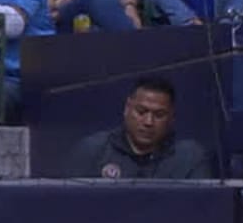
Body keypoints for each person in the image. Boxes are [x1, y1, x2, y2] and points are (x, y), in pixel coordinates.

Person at [66, 76, 213, 180]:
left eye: (159, 114)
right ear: (127, 108)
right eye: (141, 112)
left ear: (172, 117)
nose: (148, 122)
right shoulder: (93, 150)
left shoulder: (189, 157)